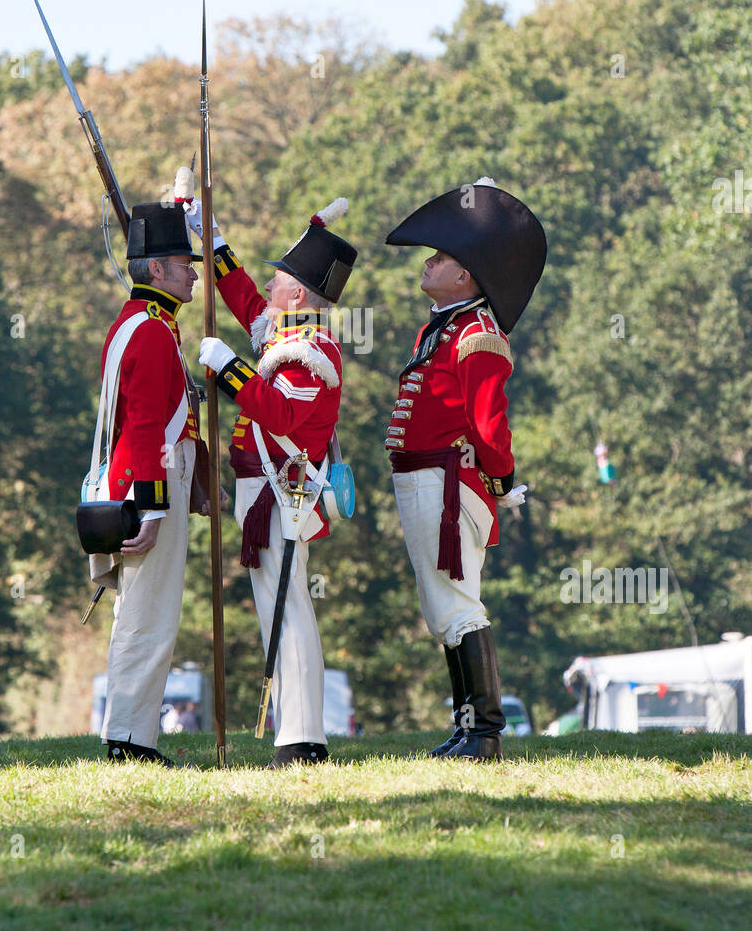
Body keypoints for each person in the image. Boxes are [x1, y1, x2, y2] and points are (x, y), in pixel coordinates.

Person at [190, 197, 357, 768]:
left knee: (288, 611)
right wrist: (213, 247)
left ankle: (304, 738)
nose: (269, 284)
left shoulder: (308, 352)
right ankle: (297, 732)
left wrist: (229, 367)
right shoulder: (287, 336)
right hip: (266, 493)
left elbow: (280, 415)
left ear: (300, 295)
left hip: (282, 493)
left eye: (279, 279)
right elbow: (246, 301)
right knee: (278, 610)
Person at [385, 179, 546, 761]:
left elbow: (489, 427)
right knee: (442, 606)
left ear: (468, 276)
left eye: (443, 256)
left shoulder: (476, 334)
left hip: (449, 483)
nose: (430, 262)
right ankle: (467, 724)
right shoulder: (446, 326)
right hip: (427, 479)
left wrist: (500, 480)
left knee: (457, 604)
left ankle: (484, 733)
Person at [99, 199, 200, 766]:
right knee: (149, 616)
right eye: (183, 262)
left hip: (144, 476)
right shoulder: (155, 332)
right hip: (148, 482)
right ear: (156, 269)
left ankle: (131, 735)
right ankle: (130, 740)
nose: (192, 272)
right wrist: (154, 506)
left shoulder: (140, 322)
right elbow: (141, 427)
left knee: (144, 613)